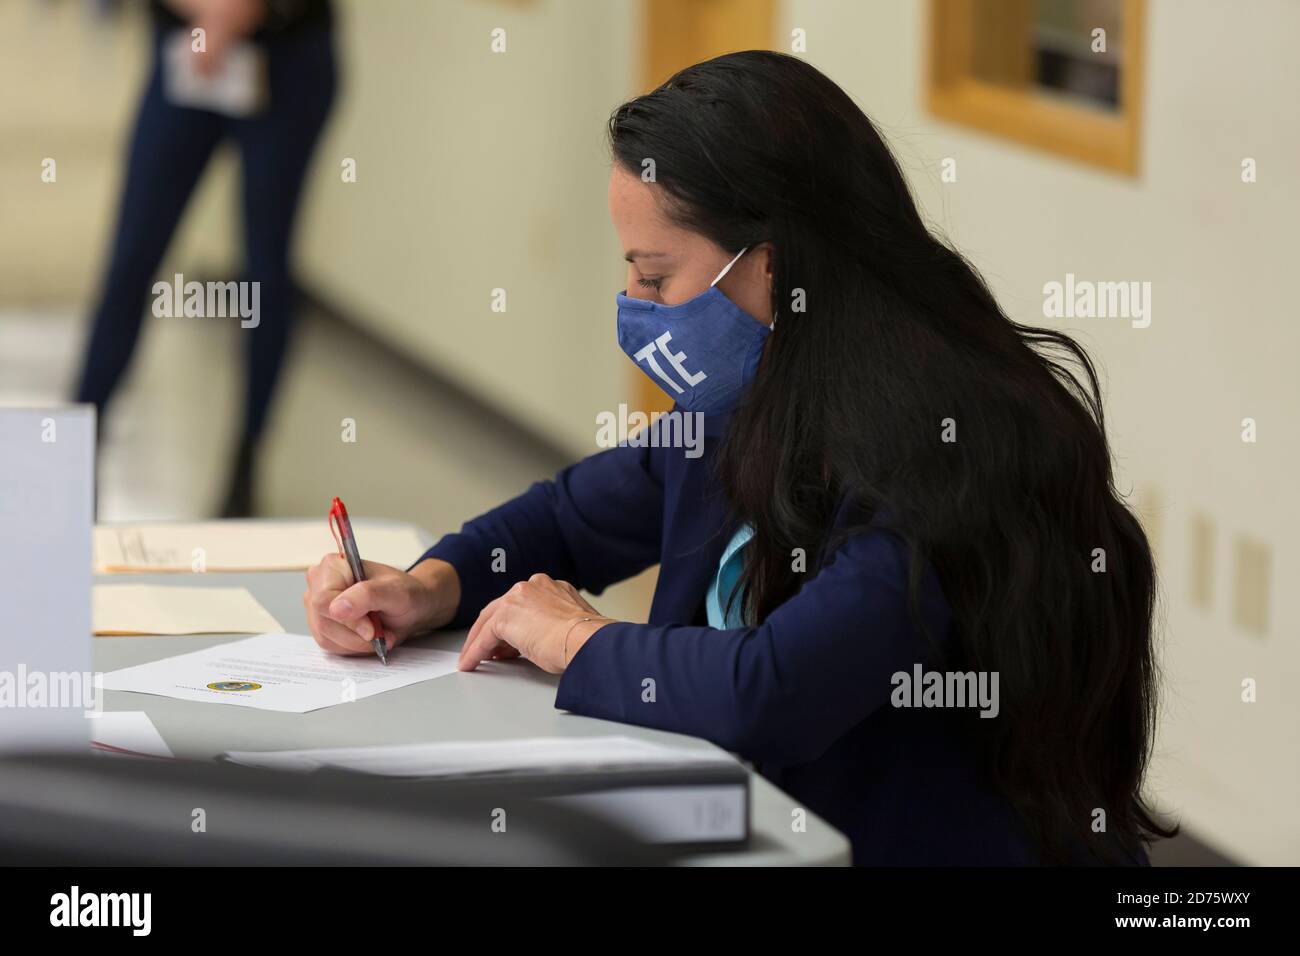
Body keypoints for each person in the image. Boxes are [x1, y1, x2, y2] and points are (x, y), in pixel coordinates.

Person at [303, 51, 1173, 865]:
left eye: (655, 276)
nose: (634, 306)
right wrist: (429, 586)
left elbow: (775, 691)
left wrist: (579, 638)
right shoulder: (750, 391)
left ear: (773, 266)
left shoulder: (952, 444)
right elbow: (570, 517)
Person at [74, 0, 336, 516]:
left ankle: (247, 459)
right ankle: (78, 447)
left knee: (265, 273)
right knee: (132, 254)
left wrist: (245, 10)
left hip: (290, 54)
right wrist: (213, 10)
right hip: (185, 49)